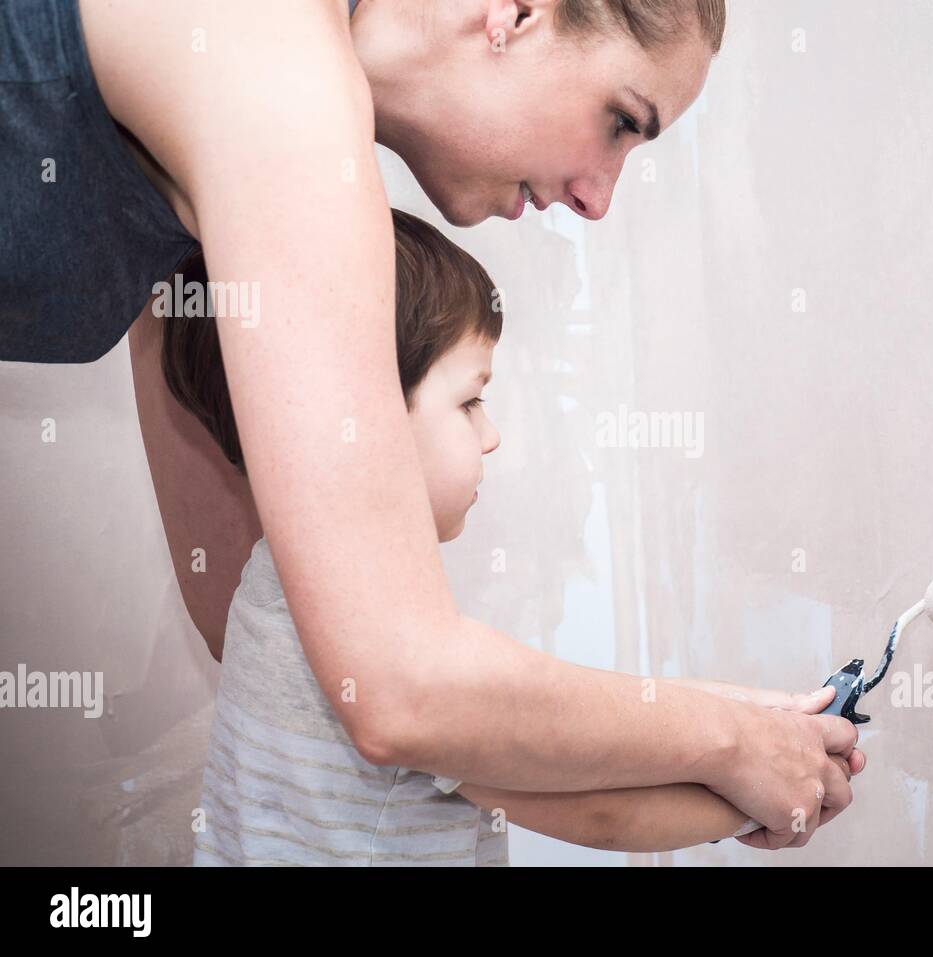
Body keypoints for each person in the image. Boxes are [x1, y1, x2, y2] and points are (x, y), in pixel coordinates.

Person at [0, 0, 860, 850]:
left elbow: (250, 609)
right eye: (620, 122)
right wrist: (729, 742)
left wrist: (713, 742)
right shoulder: (273, 75)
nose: (600, 198)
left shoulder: (250, 108)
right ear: (515, 14)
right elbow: (399, 688)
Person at [183, 209, 781, 864]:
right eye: (470, 401)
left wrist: (763, 726)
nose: (491, 434)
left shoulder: (270, 589)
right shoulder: (385, 641)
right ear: (359, 417)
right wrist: (766, 794)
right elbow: (601, 808)